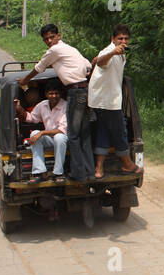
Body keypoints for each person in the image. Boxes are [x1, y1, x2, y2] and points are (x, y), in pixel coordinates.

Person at [19, 24, 93, 182]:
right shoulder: (71, 49)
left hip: (75, 91)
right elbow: (88, 65)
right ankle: (89, 172)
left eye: (52, 37)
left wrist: (25, 80)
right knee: (84, 135)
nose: (49, 41)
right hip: (85, 90)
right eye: (46, 39)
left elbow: (39, 68)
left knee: (72, 135)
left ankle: (77, 173)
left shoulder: (55, 50)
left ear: (58, 36)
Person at [89, 24, 141, 180]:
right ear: (113, 39)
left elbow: (97, 61)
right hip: (107, 100)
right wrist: (111, 52)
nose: (123, 41)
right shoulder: (110, 51)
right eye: (120, 38)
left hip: (102, 99)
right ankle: (127, 164)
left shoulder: (119, 52)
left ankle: (99, 168)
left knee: (104, 132)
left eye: (126, 38)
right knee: (120, 132)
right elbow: (101, 62)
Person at [23, 82, 68, 183]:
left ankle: (58, 173)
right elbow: (32, 118)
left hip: (63, 140)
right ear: (46, 94)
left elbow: (62, 130)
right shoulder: (43, 105)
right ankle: (40, 172)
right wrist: (19, 108)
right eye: (51, 93)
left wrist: (42, 133)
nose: (54, 96)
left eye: (56, 93)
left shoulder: (65, 106)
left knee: (59, 137)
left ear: (60, 94)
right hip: (49, 139)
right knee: (34, 134)